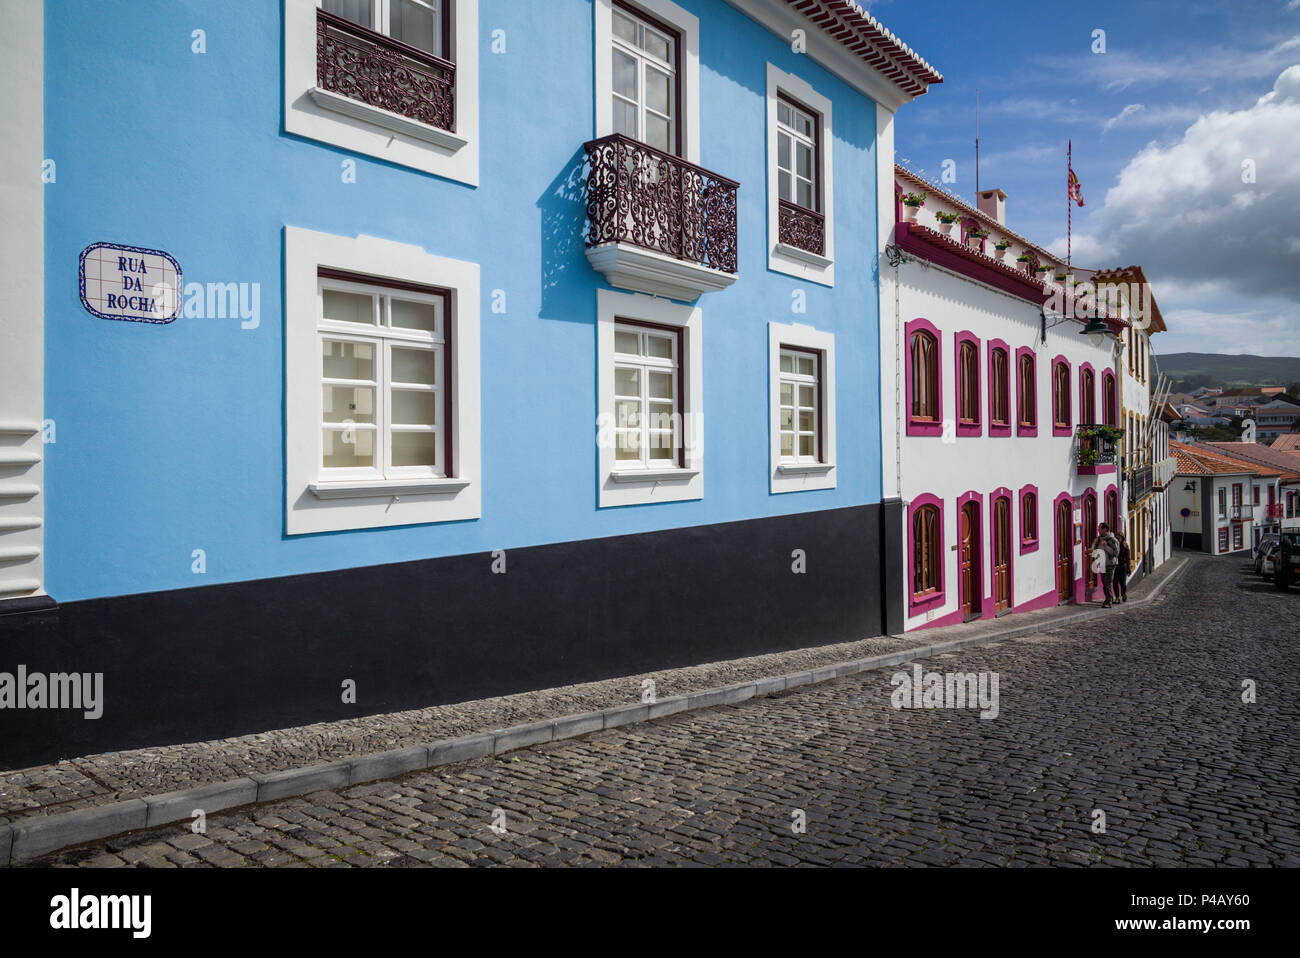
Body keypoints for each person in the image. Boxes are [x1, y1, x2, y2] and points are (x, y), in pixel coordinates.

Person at [1090, 522, 1120, 608]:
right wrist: (1094, 543)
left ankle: (1109, 601)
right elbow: (1093, 550)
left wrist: (1106, 546)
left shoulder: (1112, 540)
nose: (1098, 530)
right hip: (1102, 564)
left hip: (1110, 564)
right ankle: (1107, 599)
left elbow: (1116, 553)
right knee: (1104, 584)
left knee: (1108, 584)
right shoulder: (1099, 539)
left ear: (1105, 529)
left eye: (1099, 528)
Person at [1114, 531, 1131, 603]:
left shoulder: (1125, 546)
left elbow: (1128, 558)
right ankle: (1117, 597)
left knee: (1123, 583)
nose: (1118, 539)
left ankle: (1123, 594)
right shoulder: (1113, 545)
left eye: (1119, 538)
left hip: (1122, 567)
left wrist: (1128, 569)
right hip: (1115, 566)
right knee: (1115, 582)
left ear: (1122, 538)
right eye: (1116, 538)